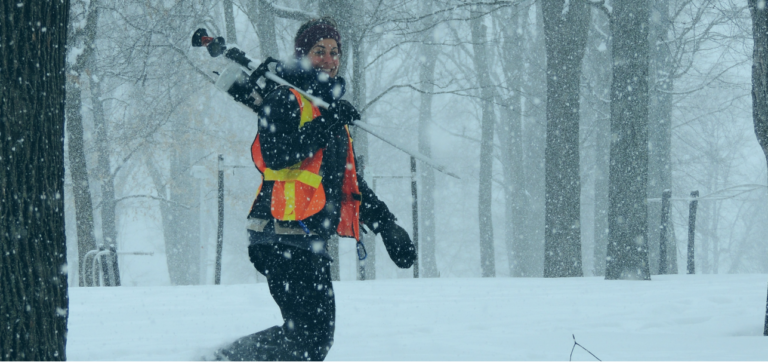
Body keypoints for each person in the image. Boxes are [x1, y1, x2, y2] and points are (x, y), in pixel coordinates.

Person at [213, 17, 416, 362]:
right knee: (310, 340)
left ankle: (225, 358)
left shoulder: (327, 111)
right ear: (302, 55)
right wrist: (329, 122)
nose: (329, 58)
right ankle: (221, 359)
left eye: (334, 51)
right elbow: (276, 155)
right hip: (279, 235)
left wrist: (386, 224)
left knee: (308, 342)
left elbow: (348, 182)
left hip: (307, 240)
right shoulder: (284, 97)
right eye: (318, 50)